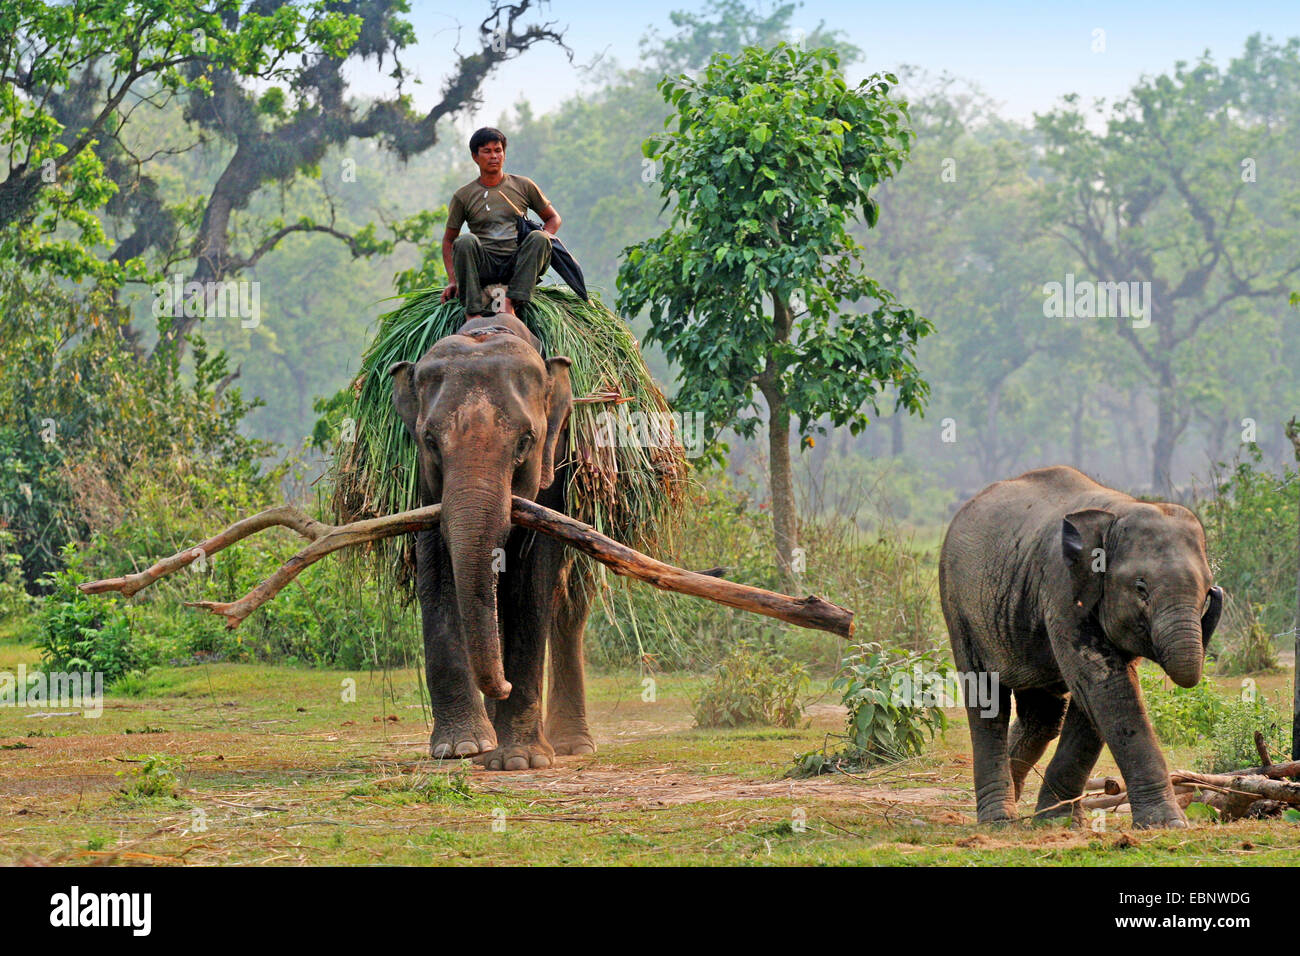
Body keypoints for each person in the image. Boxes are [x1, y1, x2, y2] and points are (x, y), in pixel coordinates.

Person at [440, 127, 562, 317]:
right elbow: (449, 240)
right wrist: (452, 279)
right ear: (475, 156)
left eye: (498, 150)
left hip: (517, 264)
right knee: (464, 241)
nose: (494, 156)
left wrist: (544, 237)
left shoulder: (523, 185)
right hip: (484, 265)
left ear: (504, 154)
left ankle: (510, 300)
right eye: (487, 151)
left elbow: (553, 218)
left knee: (540, 237)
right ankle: (472, 312)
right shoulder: (463, 195)